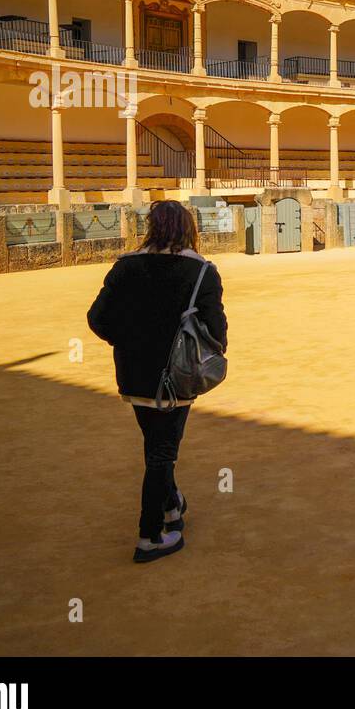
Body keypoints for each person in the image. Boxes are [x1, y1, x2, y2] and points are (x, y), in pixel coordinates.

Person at [88, 201, 228, 563]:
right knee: (162, 455)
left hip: (134, 376)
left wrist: (130, 342)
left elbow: (97, 319)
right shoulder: (200, 272)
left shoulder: (126, 266)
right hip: (178, 378)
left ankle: (170, 507)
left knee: (156, 446)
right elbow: (217, 332)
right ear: (187, 228)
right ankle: (150, 536)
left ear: (151, 227)